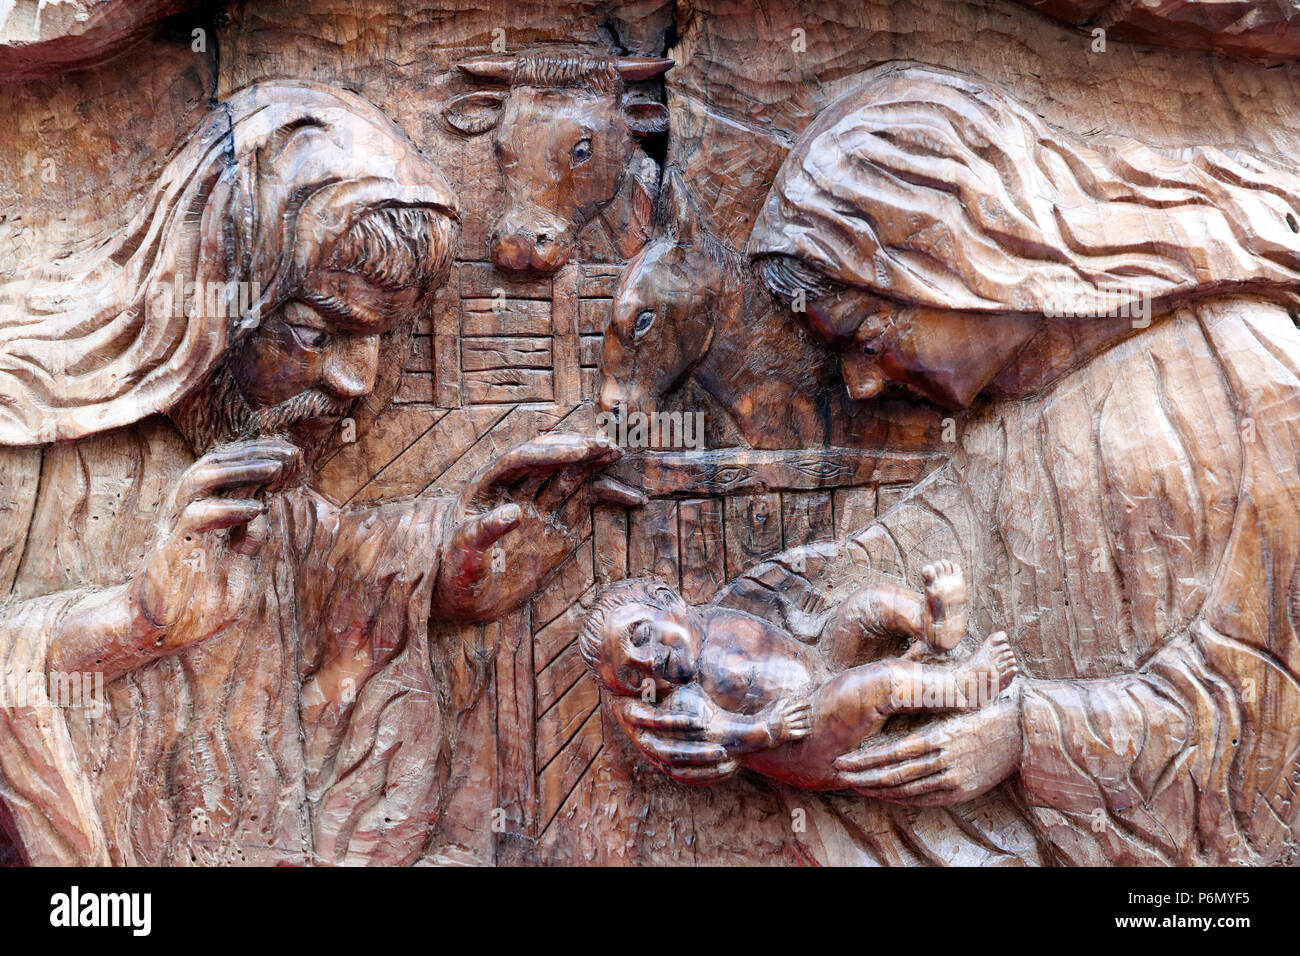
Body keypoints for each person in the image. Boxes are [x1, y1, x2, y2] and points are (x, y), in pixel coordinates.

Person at [632, 62, 1300, 865]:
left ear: (955, 255)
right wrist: (710, 658)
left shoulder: (1251, 378)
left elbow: (1269, 702)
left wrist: (1029, 735)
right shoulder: (1016, 417)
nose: (864, 382)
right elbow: (892, 563)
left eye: (868, 337)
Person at [0, 81, 635, 865]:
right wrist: (129, 624)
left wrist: (450, 562)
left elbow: (311, 565)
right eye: (317, 331)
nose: (358, 380)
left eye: (381, 339)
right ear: (212, 300)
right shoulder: (22, 423)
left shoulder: (255, 448)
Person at [579, 566, 1017, 791]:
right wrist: (767, 728)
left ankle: (930, 625)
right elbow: (720, 735)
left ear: (668, 599)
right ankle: (963, 685)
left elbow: (777, 632)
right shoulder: (682, 699)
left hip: (820, 664)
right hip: (806, 735)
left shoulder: (710, 615)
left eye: (642, 636)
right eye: (633, 675)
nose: (651, 663)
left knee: (864, 607)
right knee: (876, 685)